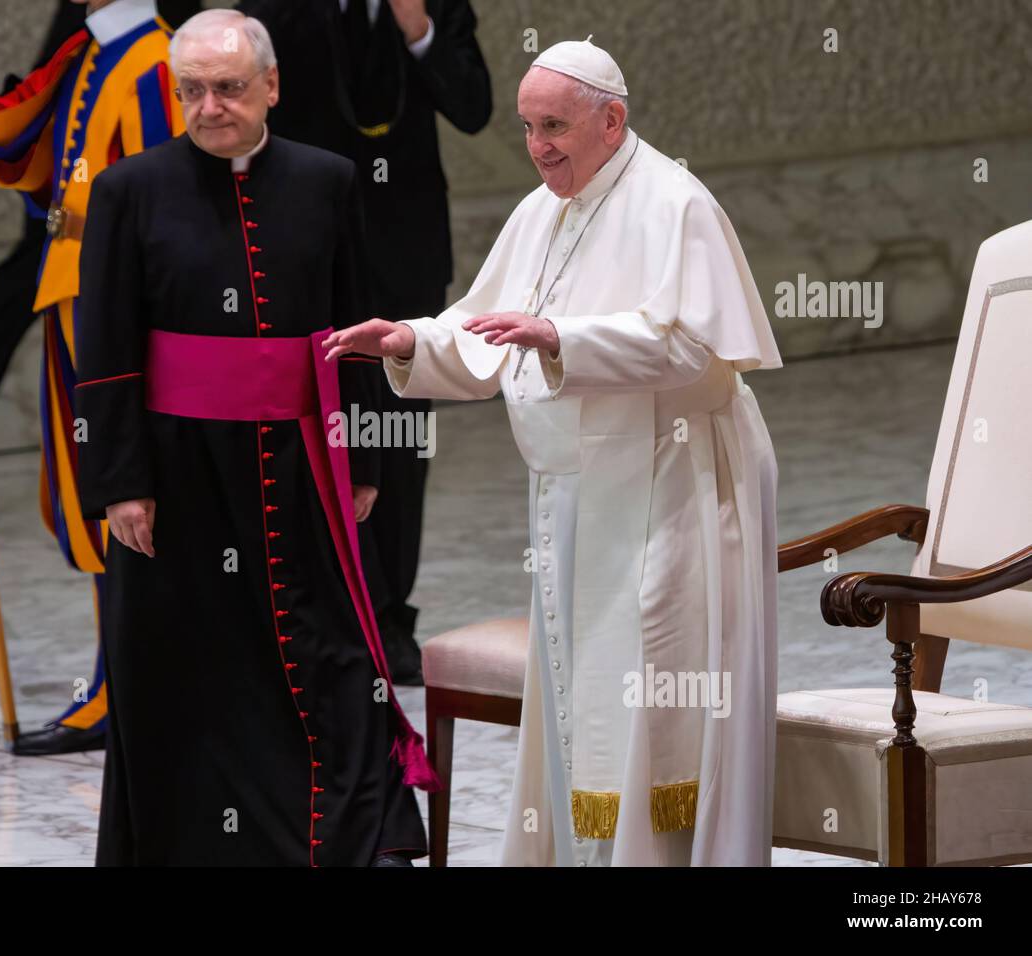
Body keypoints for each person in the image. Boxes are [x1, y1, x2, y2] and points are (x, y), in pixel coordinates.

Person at [324, 38, 783, 866]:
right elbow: (485, 324)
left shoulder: (673, 203)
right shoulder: (544, 209)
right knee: (585, 694)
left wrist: (562, 336)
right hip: (576, 494)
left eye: (556, 126)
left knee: (655, 682)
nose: (539, 146)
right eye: (530, 127)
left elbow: (696, 351)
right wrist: (407, 340)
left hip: (671, 481)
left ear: (613, 120)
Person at [75, 8, 435, 866]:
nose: (210, 107)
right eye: (192, 90)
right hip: (177, 471)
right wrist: (121, 481)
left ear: (271, 86)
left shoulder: (325, 180)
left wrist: (365, 459)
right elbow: (104, 350)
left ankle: (352, 836)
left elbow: (355, 332)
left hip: (303, 462)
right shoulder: (129, 189)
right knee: (188, 668)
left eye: (230, 88)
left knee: (333, 650)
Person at [0, 0, 185, 754]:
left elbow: (170, 215)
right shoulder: (89, 53)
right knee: (92, 497)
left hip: (121, 318)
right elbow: (17, 138)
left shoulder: (160, 65)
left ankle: (140, 690)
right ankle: (118, 678)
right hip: (75, 303)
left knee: (130, 491)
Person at [237, 0, 493, 684]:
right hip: (305, 249)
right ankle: (327, 612)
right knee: (318, 433)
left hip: (405, 254)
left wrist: (417, 27)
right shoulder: (269, 9)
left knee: (401, 440)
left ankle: (391, 618)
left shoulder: (432, 6)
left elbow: (473, 105)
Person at [0, 0, 202, 518]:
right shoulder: (89, 43)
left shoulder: (160, 54)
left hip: (119, 280)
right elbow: (32, 126)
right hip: (78, 258)